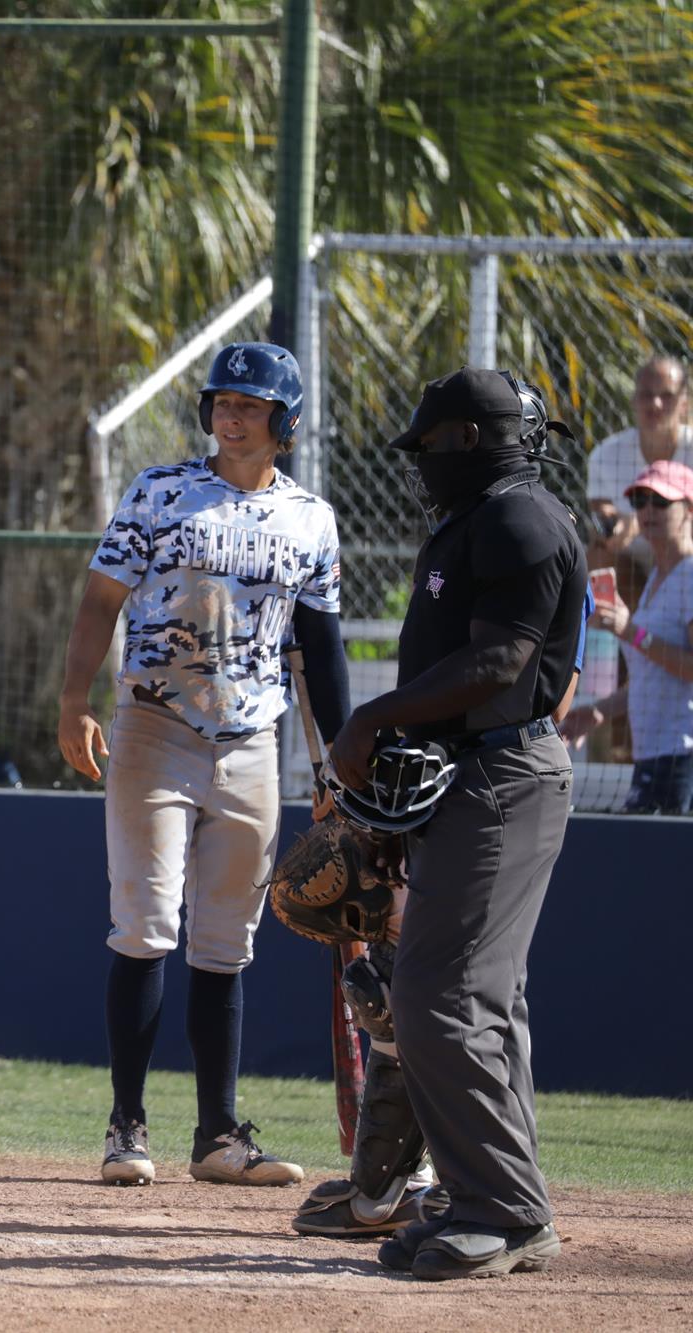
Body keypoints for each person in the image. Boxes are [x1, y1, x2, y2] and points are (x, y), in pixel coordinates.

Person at [57, 341, 345, 1190]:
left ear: (284, 423)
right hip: (155, 727)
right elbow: (100, 599)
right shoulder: (161, 492)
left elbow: (321, 651)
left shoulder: (311, 520)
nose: (230, 412)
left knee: (226, 942)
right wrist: (75, 700)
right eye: (222, 399)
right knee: (145, 926)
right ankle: (126, 1125)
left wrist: (337, 761)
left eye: (250, 405)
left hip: (255, 742)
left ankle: (219, 1134)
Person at [327, 366, 584, 1281]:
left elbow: (504, 661)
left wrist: (373, 718)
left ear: (469, 439)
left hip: (504, 772)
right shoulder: (477, 520)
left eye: (427, 446)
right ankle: (488, 1199)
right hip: (467, 777)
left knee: (440, 996)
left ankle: (503, 1211)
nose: (419, 464)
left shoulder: (521, 517)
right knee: (484, 1003)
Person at [559, 458, 693, 813]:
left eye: (661, 501)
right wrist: (600, 711)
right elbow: (656, 676)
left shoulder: (691, 574)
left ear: (689, 509)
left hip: (684, 757)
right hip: (654, 754)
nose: (648, 510)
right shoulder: (658, 580)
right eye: (639, 501)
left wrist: (630, 630)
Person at [585, 354, 692, 570]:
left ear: (684, 403)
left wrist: (638, 524)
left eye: (667, 395)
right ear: (634, 400)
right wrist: (612, 529)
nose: (655, 404)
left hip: (686, 562)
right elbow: (603, 517)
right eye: (646, 395)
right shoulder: (605, 455)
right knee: (598, 555)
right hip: (633, 565)